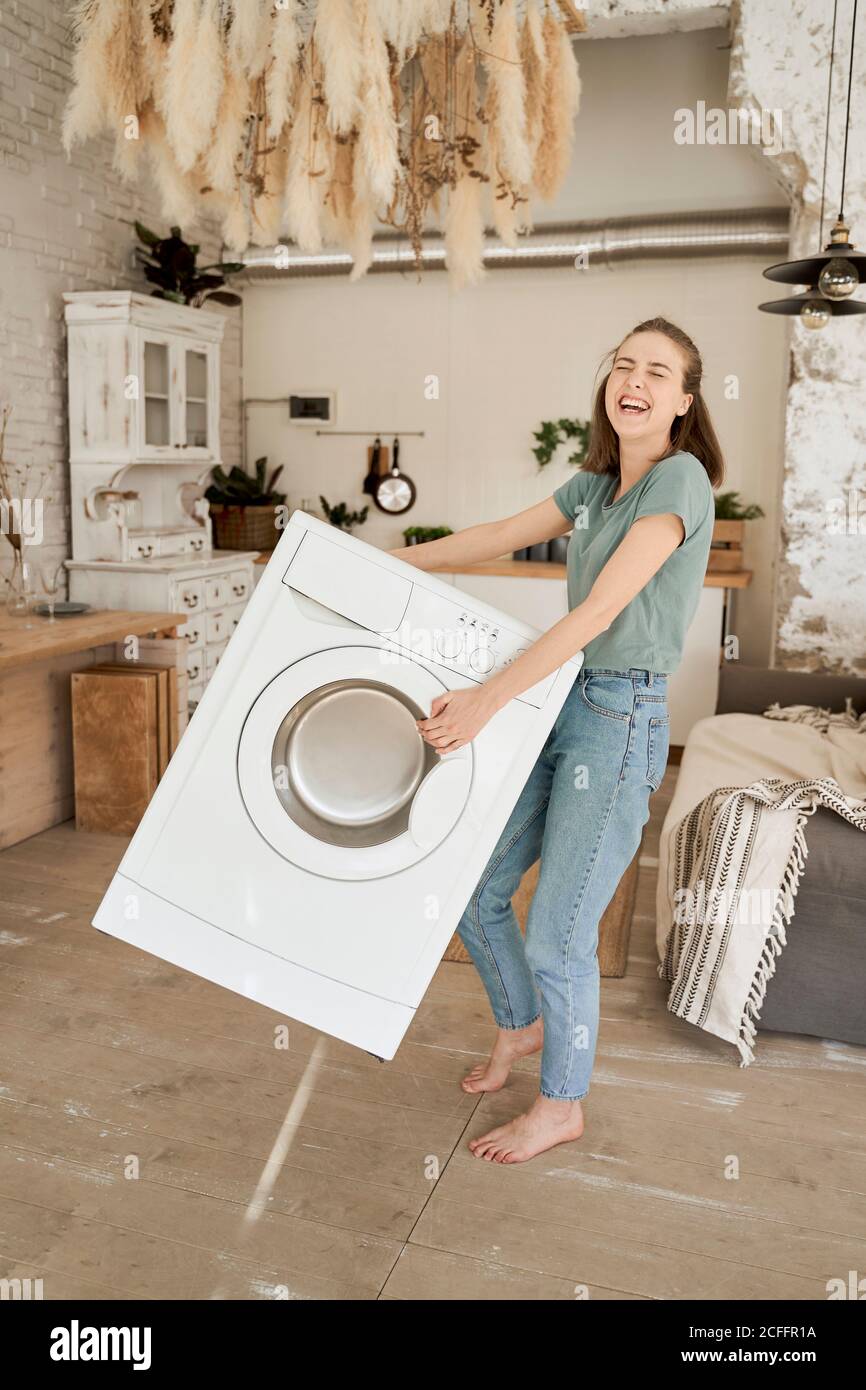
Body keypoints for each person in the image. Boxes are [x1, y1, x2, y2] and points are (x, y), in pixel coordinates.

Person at [390, 316, 723, 1163]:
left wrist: (487, 700)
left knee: (559, 936)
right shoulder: (595, 485)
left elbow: (600, 611)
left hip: (621, 720)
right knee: (477, 888)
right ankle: (522, 1025)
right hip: (569, 703)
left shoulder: (680, 480)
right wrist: (387, 558)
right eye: (623, 365)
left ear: (683, 400)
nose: (634, 379)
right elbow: (492, 536)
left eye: (657, 370)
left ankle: (562, 1105)